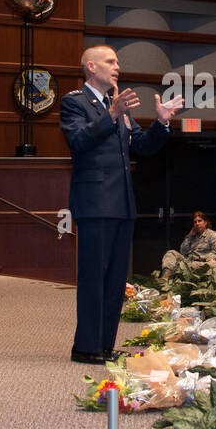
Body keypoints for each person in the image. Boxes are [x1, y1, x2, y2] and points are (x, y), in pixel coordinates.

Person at [60, 45, 180, 364]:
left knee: (115, 281)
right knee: (93, 277)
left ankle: (104, 344)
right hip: (95, 202)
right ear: (90, 67)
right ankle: (85, 346)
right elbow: (78, 141)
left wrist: (161, 123)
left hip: (123, 202)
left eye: (117, 62)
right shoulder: (74, 102)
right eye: (110, 61)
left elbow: (140, 145)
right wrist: (111, 113)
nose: (117, 67)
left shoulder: (120, 106)